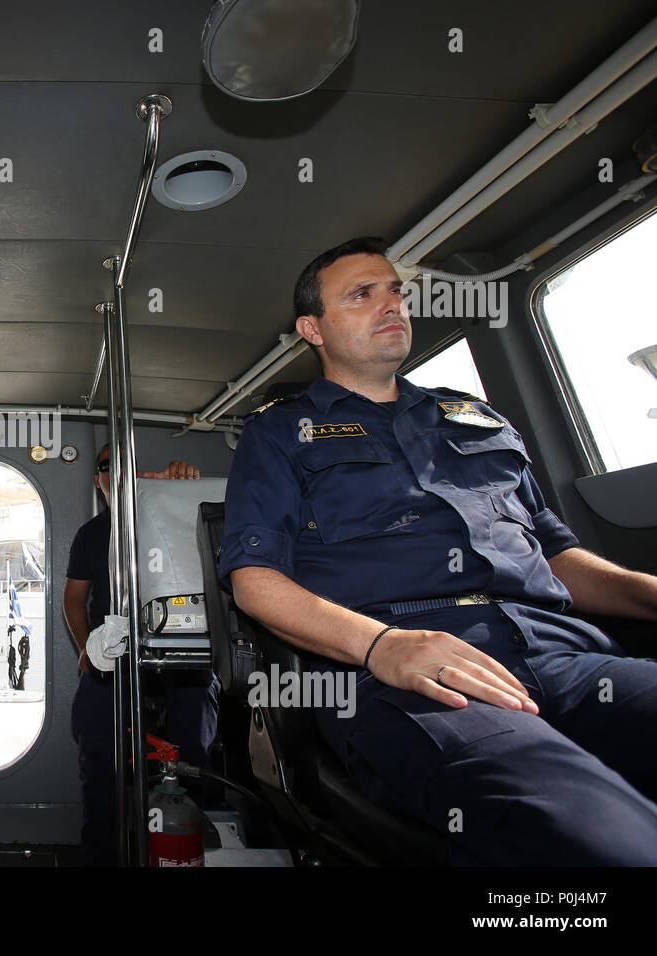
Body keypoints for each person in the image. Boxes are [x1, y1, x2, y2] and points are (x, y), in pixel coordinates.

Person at [219, 236, 657, 865]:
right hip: (416, 671)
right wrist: (382, 646)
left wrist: (648, 593)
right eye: (362, 294)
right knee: (602, 837)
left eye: (396, 290)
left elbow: (556, 554)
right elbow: (255, 581)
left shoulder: (474, 416)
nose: (391, 304)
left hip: (563, 653)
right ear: (312, 328)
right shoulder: (281, 432)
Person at [63, 443, 220, 866]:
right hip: (114, 652)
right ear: (97, 480)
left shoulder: (167, 515)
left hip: (175, 646)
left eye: (121, 467)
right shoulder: (91, 535)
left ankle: (187, 836)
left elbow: (203, 521)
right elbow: (73, 600)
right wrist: (85, 650)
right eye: (104, 468)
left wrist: (184, 485)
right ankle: (102, 853)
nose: (112, 474)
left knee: (196, 706)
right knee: (96, 743)